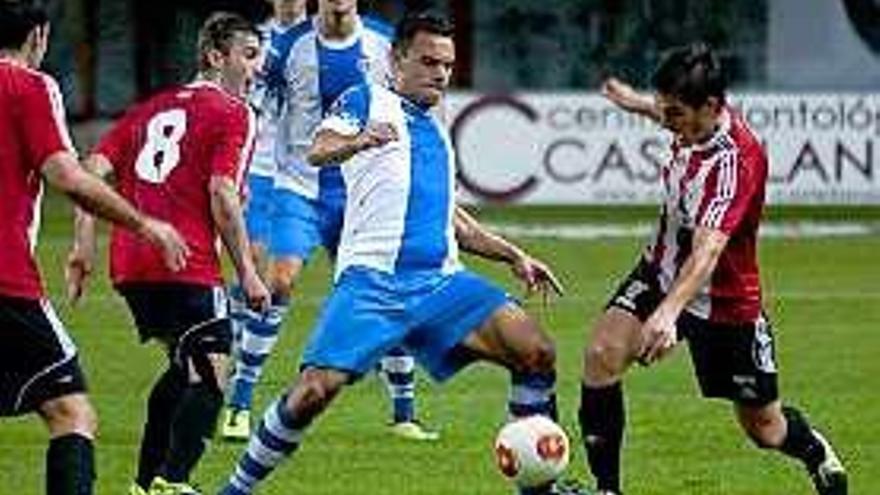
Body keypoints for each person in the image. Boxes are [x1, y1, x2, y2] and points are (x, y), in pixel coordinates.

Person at [219, 12, 571, 495]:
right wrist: (359, 140)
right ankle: (234, 489)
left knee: (536, 351)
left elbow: (452, 220)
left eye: (447, 64)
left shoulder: (437, 130)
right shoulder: (366, 99)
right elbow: (320, 148)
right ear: (396, 58)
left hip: (442, 283)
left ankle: (538, 492)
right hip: (373, 284)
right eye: (428, 61)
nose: (440, 74)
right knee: (312, 393)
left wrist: (513, 255)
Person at [577, 43, 848, 495]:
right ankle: (608, 490)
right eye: (662, 108)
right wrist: (635, 102)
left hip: (724, 302)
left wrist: (666, 315)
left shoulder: (733, 163)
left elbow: (708, 252)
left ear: (712, 107)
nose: (667, 122)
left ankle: (814, 451)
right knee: (601, 355)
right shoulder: (691, 118)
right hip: (659, 271)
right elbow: (665, 111)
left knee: (765, 428)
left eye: (675, 113)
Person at [66, 12, 271, 495]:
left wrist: (83, 243)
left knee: (186, 366)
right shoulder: (234, 112)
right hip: (185, 261)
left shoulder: (147, 110)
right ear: (215, 57)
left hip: (131, 265)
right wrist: (249, 273)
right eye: (248, 55)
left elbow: (87, 174)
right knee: (215, 373)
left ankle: (145, 483)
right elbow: (222, 193)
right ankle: (173, 482)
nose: (255, 68)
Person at [223, 0, 436, 443]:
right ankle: (239, 405)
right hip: (299, 187)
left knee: (386, 286)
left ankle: (404, 413)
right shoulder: (286, 46)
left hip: (361, 192)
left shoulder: (383, 42)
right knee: (279, 281)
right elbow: (250, 104)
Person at [0, 3, 189, 495]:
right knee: (70, 412)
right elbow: (67, 175)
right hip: (4, 282)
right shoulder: (28, 86)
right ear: (39, 36)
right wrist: (144, 223)